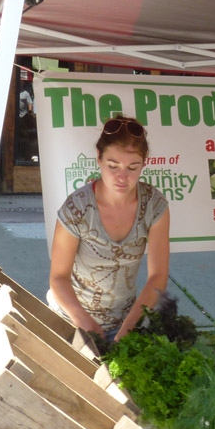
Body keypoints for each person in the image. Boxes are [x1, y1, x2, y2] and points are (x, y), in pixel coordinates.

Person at [49, 115, 171, 342]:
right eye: (112, 165)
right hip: (71, 319)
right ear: (98, 158)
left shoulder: (154, 205)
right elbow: (58, 278)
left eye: (132, 167)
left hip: (125, 322)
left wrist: (127, 330)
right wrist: (87, 325)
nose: (121, 177)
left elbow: (158, 276)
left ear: (145, 163)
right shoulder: (76, 208)